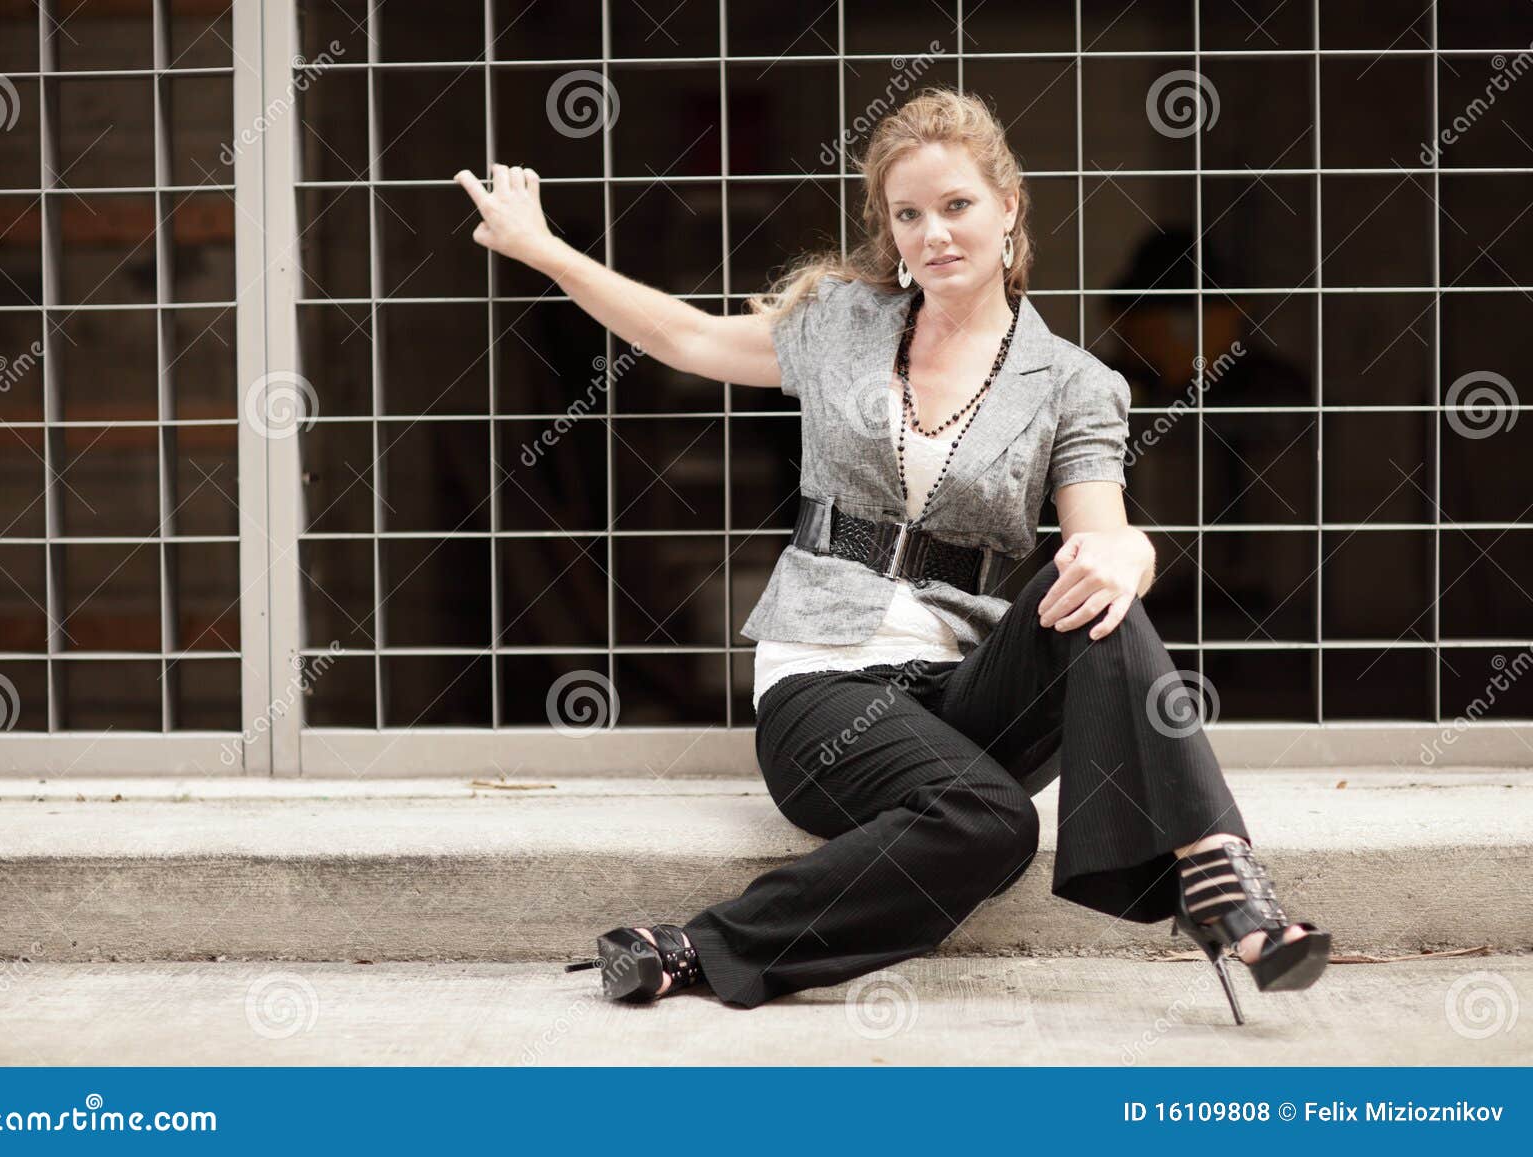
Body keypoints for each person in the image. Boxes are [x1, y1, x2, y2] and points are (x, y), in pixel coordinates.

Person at [454, 86, 1331, 1023]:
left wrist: (1132, 555)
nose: (934, 234)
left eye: (955, 206)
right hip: (825, 681)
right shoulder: (841, 324)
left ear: (1008, 208)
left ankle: (1215, 868)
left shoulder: (1076, 381)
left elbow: (1100, 528)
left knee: (1096, 592)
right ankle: (698, 946)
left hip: (961, 686)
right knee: (994, 823)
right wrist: (544, 250)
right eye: (908, 215)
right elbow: (688, 334)